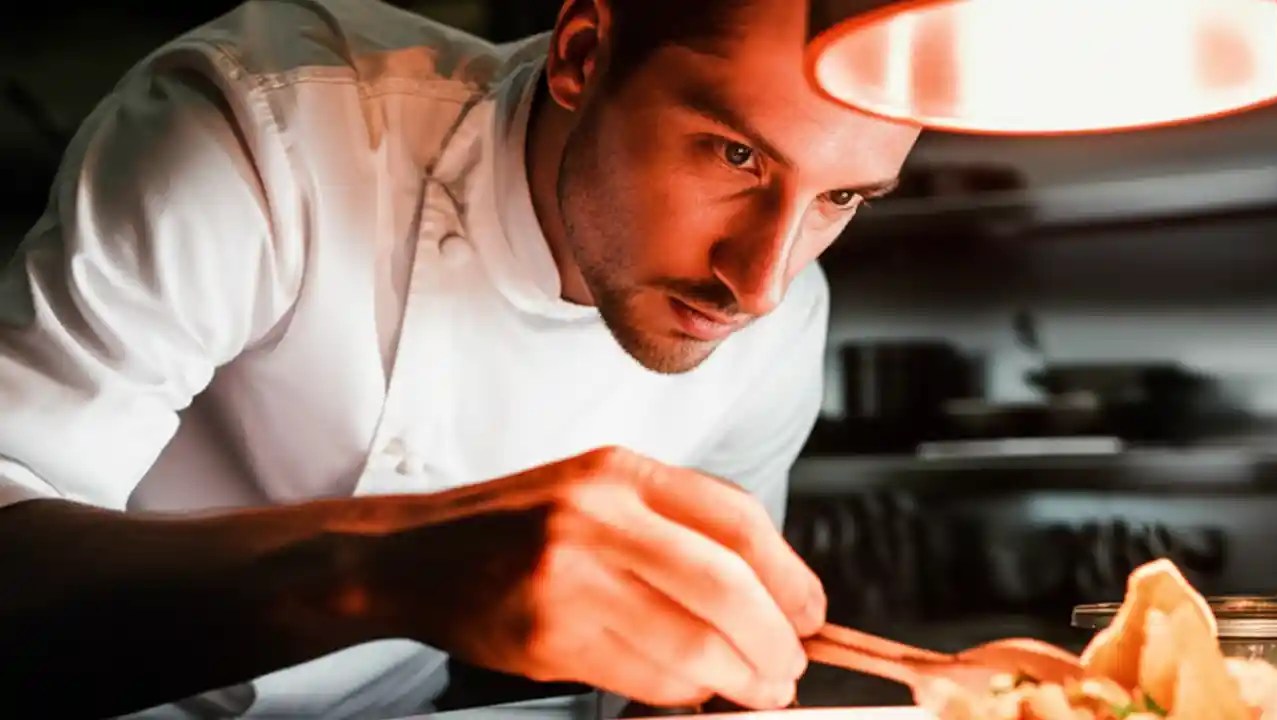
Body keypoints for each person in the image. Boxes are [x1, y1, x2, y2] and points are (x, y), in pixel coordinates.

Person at [0, 0, 920, 717]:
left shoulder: (784, 317)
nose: (758, 284)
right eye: (734, 154)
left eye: (841, 196)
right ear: (582, 57)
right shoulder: (268, 133)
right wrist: (394, 568)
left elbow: (692, 675)